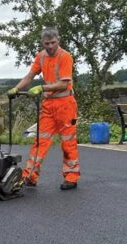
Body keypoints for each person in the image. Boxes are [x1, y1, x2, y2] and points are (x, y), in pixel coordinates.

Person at [7, 27, 80, 189]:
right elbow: (29, 76)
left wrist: (42, 88)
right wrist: (16, 89)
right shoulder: (40, 57)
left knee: (68, 142)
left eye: (53, 43)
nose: (50, 46)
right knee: (39, 141)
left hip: (65, 104)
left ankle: (71, 176)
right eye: (47, 43)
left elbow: (64, 84)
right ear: (42, 43)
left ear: (58, 40)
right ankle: (29, 176)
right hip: (48, 105)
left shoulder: (65, 57)